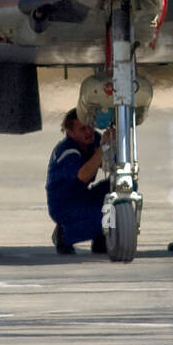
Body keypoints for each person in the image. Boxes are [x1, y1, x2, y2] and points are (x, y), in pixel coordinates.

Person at [46, 109, 114, 255]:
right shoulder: (68, 151)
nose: (88, 131)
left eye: (90, 126)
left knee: (115, 190)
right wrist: (102, 150)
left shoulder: (93, 139)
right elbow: (83, 175)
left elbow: (108, 163)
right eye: (82, 129)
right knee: (105, 219)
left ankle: (101, 241)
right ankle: (64, 235)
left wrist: (114, 143)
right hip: (64, 205)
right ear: (70, 133)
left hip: (81, 196)